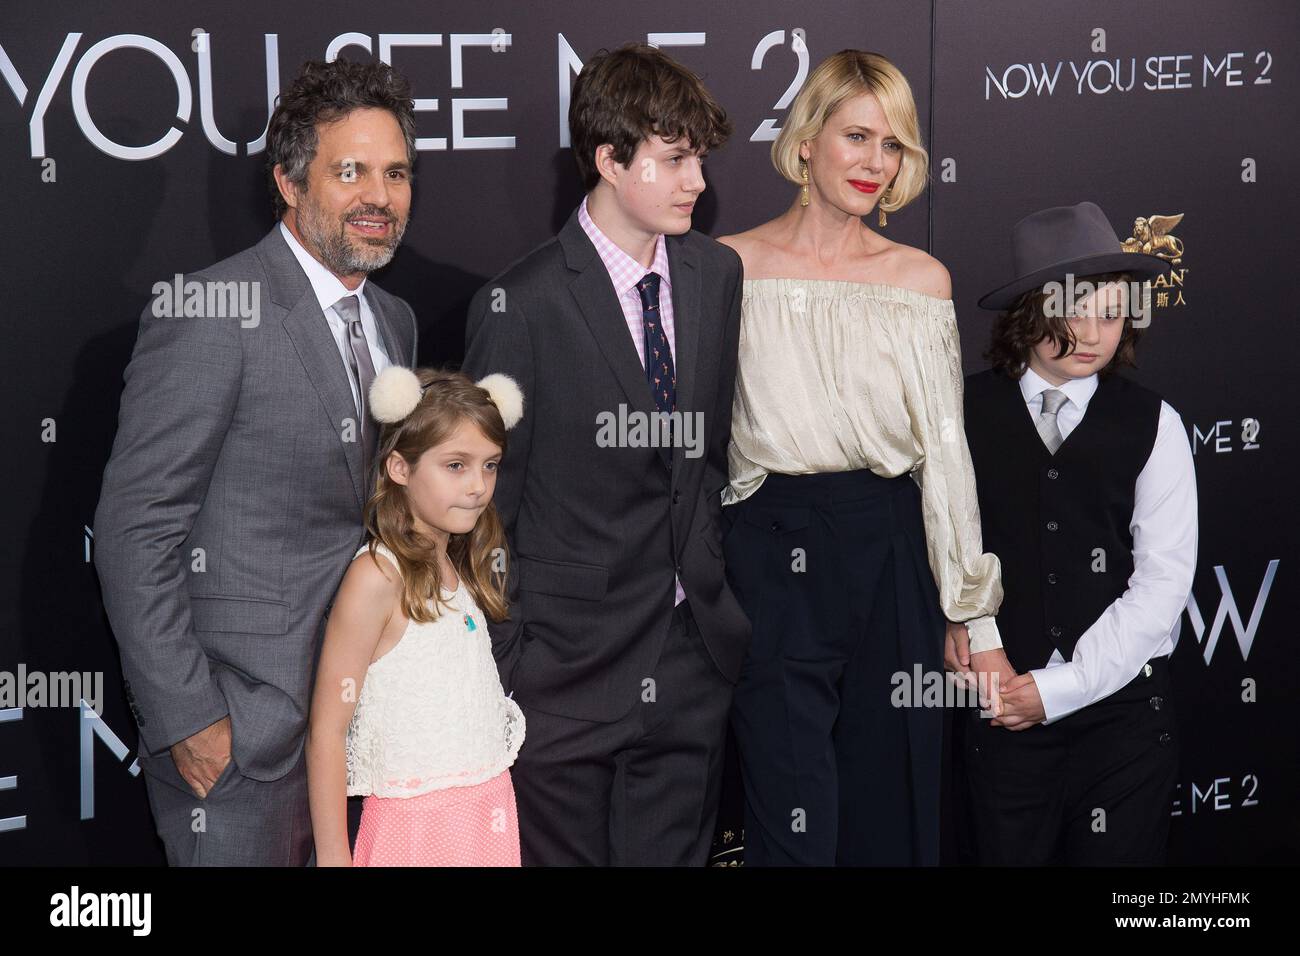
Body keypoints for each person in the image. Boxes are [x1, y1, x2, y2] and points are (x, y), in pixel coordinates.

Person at [92, 58, 418, 866]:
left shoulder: (396, 321)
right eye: (350, 171)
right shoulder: (210, 313)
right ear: (289, 181)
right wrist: (191, 720)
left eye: (396, 172)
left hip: (366, 732)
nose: (379, 195)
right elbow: (135, 533)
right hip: (242, 747)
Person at [459, 42, 749, 865]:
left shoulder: (715, 274)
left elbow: (709, 458)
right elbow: (484, 505)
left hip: (690, 666)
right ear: (609, 160)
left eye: (699, 159)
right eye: (675, 159)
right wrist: (515, 660)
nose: (697, 180)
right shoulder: (522, 304)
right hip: (563, 676)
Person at [717, 49, 1004, 866]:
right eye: (856, 136)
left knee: (894, 804)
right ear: (806, 142)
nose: (876, 163)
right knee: (788, 813)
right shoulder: (730, 267)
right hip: (768, 554)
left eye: (893, 145)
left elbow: (946, 457)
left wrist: (971, 613)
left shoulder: (920, 282)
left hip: (889, 551)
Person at [961, 201, 1195, 865]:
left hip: (1125, 731)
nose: (1095, 332)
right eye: (1075, 309)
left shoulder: (1156, 424)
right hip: (1001, 723)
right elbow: (943, 550)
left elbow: (1162, 583)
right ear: (1029, 312)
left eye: (1114, 312)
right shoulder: (963, 411)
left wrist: (1060, 690)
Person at [307, 366, 527, 866]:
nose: (477, 486)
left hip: (486, 817)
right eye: (455, 465)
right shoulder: (376, 577)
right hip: (416, 833)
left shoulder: (452, 563)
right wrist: (334, 858)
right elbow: (327, 730)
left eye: (490, 465)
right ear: (399, 468)